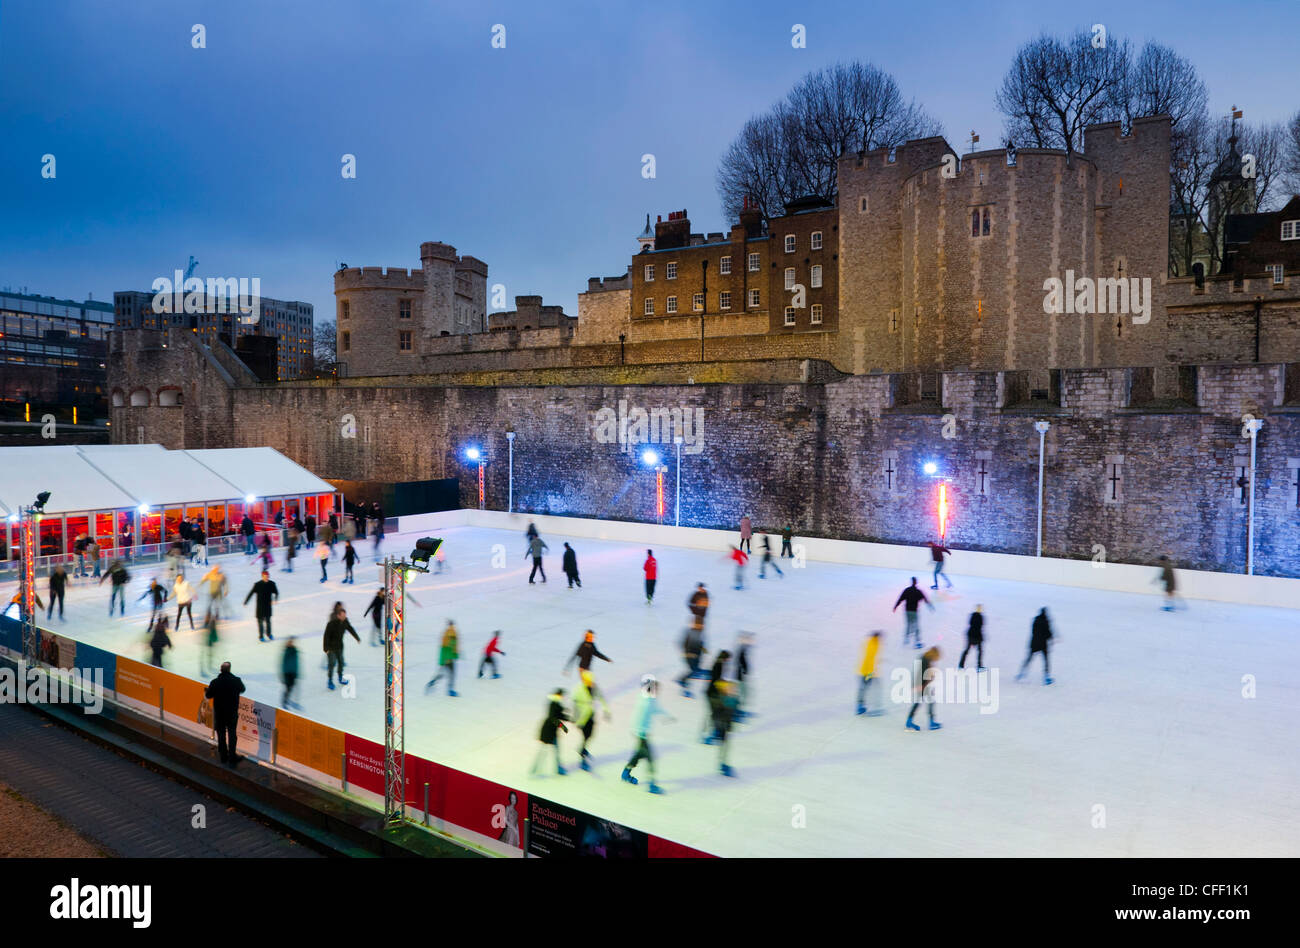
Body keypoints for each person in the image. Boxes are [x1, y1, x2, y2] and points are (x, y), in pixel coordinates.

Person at [621, 675, 674, 794]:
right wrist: (641, 734)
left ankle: (626, 772)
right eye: (656, 688)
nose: (658, 691)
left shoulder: (649, 699)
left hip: (640, 733)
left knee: (639, 754)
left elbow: (658, 708)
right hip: (641, 734)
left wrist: (668, 716)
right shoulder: (646, 703)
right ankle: (651, 784)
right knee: (649, 757)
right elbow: (639, 718)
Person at [205, 661, 246, 766]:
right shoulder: (236, 681)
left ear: (220, 670)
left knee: (221, 734)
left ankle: (223, 756)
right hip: (231, 713)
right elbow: (243, 689)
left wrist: (207, 690)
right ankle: (232, 757)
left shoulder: (215, 682)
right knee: (232, 734)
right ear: (230, 669)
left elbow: (209, 695)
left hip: (219, 713)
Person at [572, 671, 611, 771]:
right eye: (590, 681)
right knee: (585, 735)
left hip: (590, 715)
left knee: (590, 735)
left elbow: (601, 697)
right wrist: (575, 718)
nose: (592, 682)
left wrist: (606, 710)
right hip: (581, 718)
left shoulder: (594, 688)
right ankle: (582, 760)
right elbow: (574, 704)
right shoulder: (579, 690)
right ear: (585, 680)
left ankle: (582, 749)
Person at [530, 688, 570, 776]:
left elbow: (559, 715)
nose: (563, 697)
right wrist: (563, 726)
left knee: (554, 751)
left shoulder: (555, 704)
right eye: (561, 696)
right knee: (544, 752)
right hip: (548, 732)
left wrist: (568, 717)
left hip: (551, 732)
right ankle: (534, 770)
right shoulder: (554, 705)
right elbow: (554, 718)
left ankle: (557, 769)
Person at [323, 602, 360, 691]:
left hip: (340, 646)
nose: (344, 617)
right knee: (331, 664)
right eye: (342, 615)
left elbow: (350, 629)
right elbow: (326, 636)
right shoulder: (331, 624)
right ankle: (330, 681)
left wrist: (357, 638)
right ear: (338, 616)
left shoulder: (345, 622)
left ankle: (340, 677)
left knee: (341, 663)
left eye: (345, 615)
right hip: (331, 648)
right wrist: (325, 649)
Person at [906, 646, 942, 731]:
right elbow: (925, 674)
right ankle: (931, 722)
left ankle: (909, 721)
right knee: (927, 702)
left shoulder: (924, 657)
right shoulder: (926, 660)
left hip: (921, 684)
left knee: (920, 702)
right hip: (922, 685)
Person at [1016, 608, 1055, 685]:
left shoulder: (1035, 620)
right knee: (1046, 661)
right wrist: (1051, 637)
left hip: (1034, 644)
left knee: (1029, 659)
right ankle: (1046, 677)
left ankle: (1021, 673)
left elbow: (1033, 631)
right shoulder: (1046, 621)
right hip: (1043, 645)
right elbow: (1048, 634)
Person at [892, 577, 933, 649]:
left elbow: (900, 599)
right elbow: (925, 599)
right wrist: (930, 606)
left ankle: (906, 638)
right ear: (916, 582)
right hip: (914, 611)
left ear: (911, 582)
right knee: (916, 626)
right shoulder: (918, 591)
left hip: (907, 611)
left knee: (908, 625)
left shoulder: (907, 590)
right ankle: (917, 641)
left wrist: (895, 606)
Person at [702, 649, 732, 744]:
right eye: (728, 659)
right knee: (717, 713)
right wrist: (725, 687)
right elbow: (716, 679)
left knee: (717, 713)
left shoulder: (718, 664)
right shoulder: (719, 665)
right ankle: (718, 733)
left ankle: (719, 732)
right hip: (714, 693)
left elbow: (716, 678)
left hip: (713, 693)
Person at [713, 681, 741, 777]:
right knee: (724, 745)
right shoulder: (721, 699)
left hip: (726, 725)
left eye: (734, 689)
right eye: (730, 689)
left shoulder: (733, 699)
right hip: (721, 725)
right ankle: (722, 764)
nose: (733, 691)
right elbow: (716, 714)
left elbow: (734, 712)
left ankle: (723, 763)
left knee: (725, 746)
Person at [425, 621, 460, 696]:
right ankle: (450, 690)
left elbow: (450, 647)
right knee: (451, 675)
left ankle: (432, 682)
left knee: (442, 674)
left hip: (446, 659)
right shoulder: (450, 634)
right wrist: (453, 656)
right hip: (448, 659)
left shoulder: (448, 633)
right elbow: (450, 646)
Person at [243, 571, 279, 642]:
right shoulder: (257, 585)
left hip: (268, 606)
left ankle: (269, 634)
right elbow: (251, 593)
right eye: (265, 576)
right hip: (260, 607)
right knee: (260, 622)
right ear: (262, 576)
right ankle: (261, 636)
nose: (266, 578)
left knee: (268, 621)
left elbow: (276, 592)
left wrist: (275, 599)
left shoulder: (272, 584)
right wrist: (246, 602)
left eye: (267, 576)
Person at [677, 618, 707, 697]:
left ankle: (684, 683)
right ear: (695, 624)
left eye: (702, 625)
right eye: (699, 624)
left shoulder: (698, 632)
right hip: (691, 656)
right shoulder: (692, 632)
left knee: (694, 670)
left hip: (696, 656)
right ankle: (682, 681)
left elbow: (698, 644)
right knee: (693, 670)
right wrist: (689, 653)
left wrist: (702, 648)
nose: (701, 626)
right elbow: (684, 644)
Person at [856, 630, 884, 716]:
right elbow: (870, 660)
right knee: (865, 688)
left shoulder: (872, 643)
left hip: (867, 671)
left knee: (865, 688)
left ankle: (861, 705)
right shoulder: (873, 645)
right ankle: (860, 706)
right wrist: (872, 673)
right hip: (867, 672)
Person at [958, 606, 985, 671]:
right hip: (977, 637)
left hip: (970, 635)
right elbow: (980, 626)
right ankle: (979, 667)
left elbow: (970, 623)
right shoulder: (981, 617)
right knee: (979, 652)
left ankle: (961, 665)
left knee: (966, 651)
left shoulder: (972, 615)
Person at [199, 607, 219, 677]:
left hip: (207, 640)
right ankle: (204, 669)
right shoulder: (210, 621)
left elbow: (213, 631)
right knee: (206, 655)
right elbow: (212, 631)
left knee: (207, 655)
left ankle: (207, 667)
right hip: (207, 640)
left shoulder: (210, 621)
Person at [281, 637, 300, 709]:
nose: (292, 643)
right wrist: (283, 674)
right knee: (288, 688)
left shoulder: (295, 650)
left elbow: (296, 662)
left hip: (293, 672)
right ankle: (284, 701)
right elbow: (283, 663)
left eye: (293, 642)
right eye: (291, 642)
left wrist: (297, 672)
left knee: (291, 688)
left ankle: (287, 699)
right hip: (287, 673)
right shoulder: (287, 651)